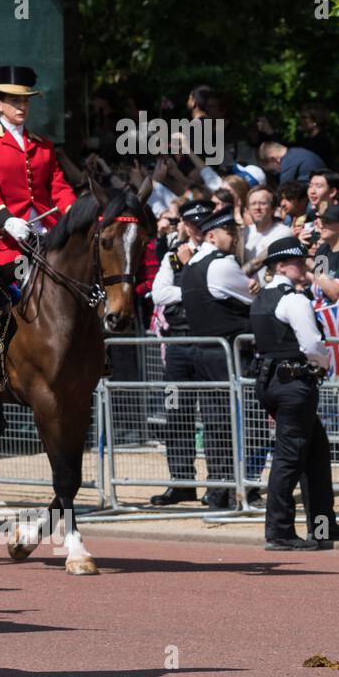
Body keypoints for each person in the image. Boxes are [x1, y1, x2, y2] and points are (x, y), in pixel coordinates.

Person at [251, 237, 339, 549]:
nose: (304, 265)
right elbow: (310, 344)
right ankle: (279, 533)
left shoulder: (260, 299)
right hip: (294, 384)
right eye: (297, 261)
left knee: (315, 452)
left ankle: (322, 526)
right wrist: (322, 366)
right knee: (289, 458)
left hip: (272, 382)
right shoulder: (294, 300)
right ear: (281, 265)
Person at [0, 65, 76, 277]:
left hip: (43, 231)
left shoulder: (43, 146)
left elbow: (59, 187)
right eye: (15, 101)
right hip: (1, 236)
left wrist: (76, 213)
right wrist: (7, 220)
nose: (22, 106)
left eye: (25, 101)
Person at [181, 207, 256, 509]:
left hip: (207, 354)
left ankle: (220, 489)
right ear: (212, 235)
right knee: (244, 423)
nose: (236, 237)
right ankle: (242, 489)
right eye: (230, 232)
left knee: (216, 424)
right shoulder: (222, 265)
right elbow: (255, 301)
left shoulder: (192, 266)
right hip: (230, 356)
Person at [148, 199, 213, 505]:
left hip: (209, 343)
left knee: (215, 415)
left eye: (203, 222)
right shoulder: (175, 256)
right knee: (176, 413)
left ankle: (219, 484)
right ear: (186, 225)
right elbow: (160, 293)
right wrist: (196, 292)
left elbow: (218, 292)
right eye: (193, 223)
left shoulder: (217, 253)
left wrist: (189, 287)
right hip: (178, 346)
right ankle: (182, 482)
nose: (198, 228)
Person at [312, 204, 339, 302]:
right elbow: (317, 283)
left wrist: (313, 269)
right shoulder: (323, 249)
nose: (321, 226)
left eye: (327, 222)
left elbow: (336, 293)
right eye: (322, 221)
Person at [259, 140, 327, 185]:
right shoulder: (297, 152)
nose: (276, 173)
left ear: (273, 159)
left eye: (273, 171)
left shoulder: (288, 163)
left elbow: (284, 192)